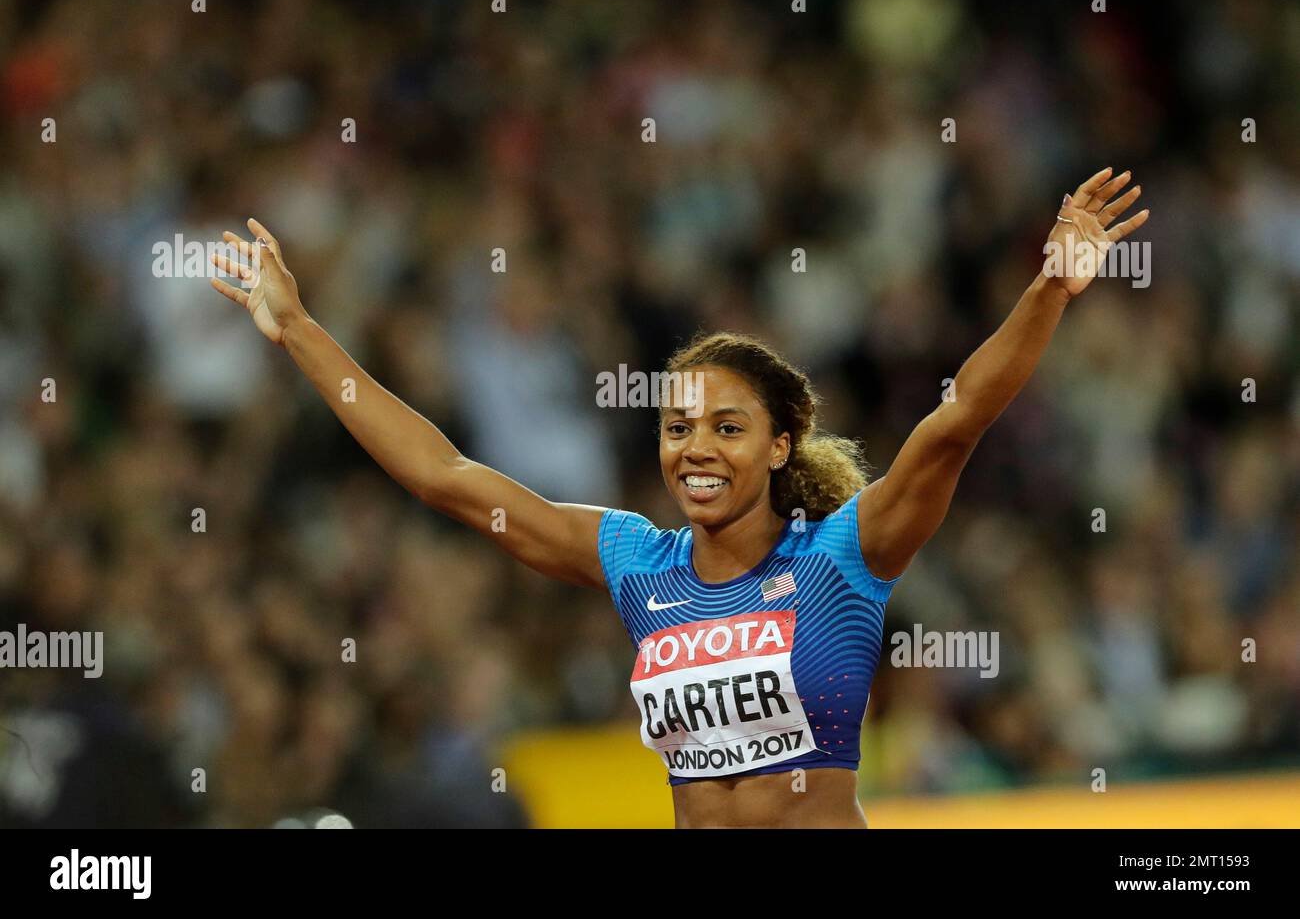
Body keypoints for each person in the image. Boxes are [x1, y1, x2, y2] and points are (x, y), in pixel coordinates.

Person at [209, 167, 1147, 827]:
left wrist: (1051, 289)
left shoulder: (841, 557)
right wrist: (297, 330)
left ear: (781, 446)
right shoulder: (636, 562)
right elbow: (444, 477)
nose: (695, 449)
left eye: (726, 429)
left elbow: (954, 423)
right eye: (676, 428)